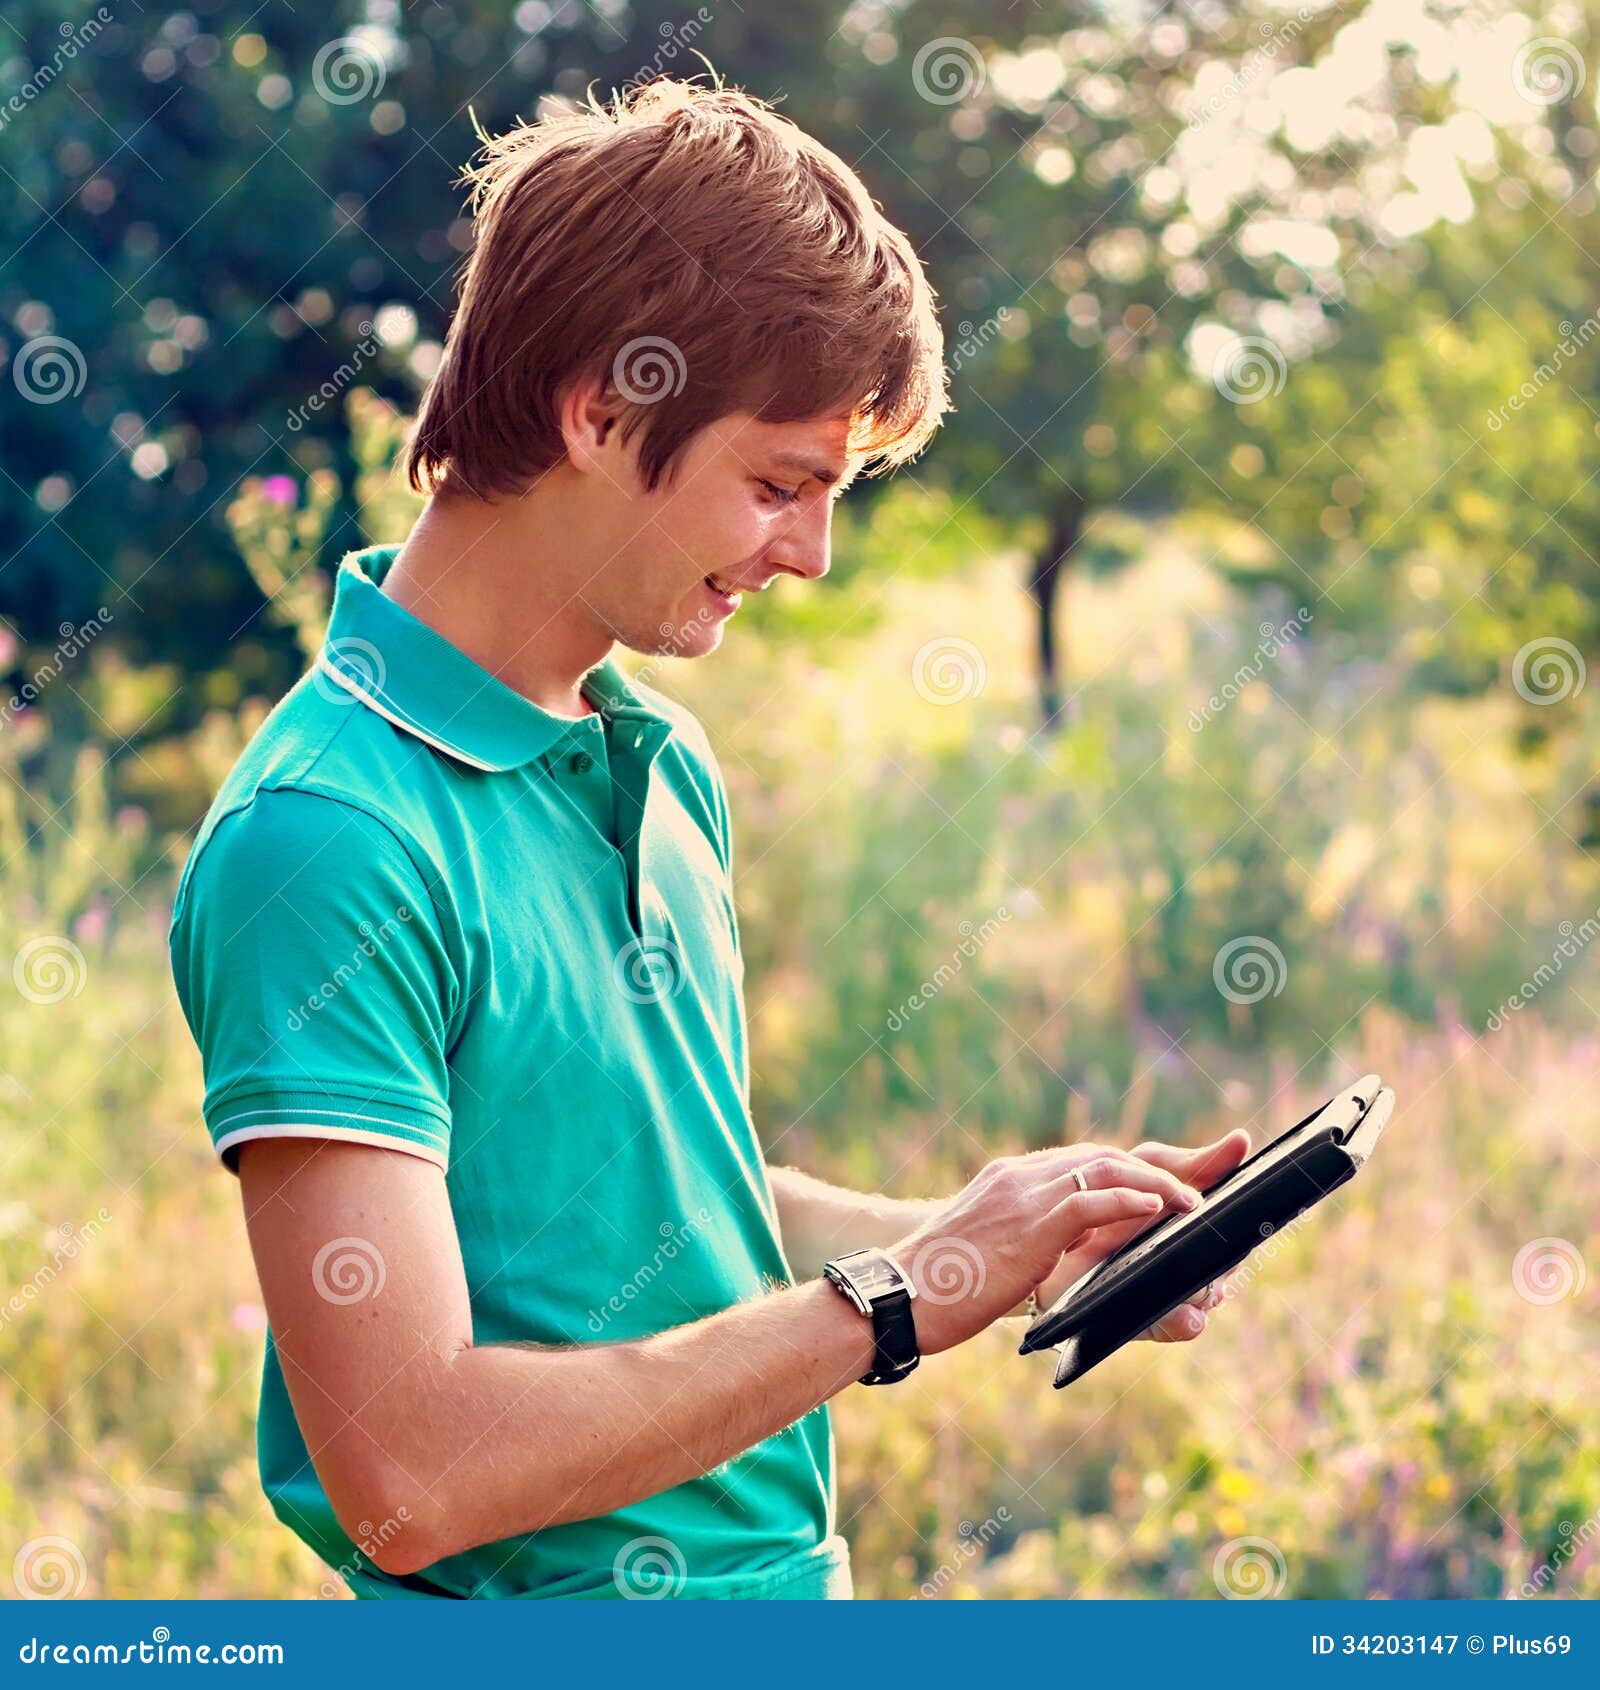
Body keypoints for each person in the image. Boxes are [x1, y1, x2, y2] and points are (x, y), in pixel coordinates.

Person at [169, 74, 1247, 1602]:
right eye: (780, 485)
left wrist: (999, 1247)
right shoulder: (328, 839)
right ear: (605, 408)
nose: (808, 554)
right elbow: (409, 1472)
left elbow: (684, 1210)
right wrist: (891, 1303)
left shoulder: (660, 759)